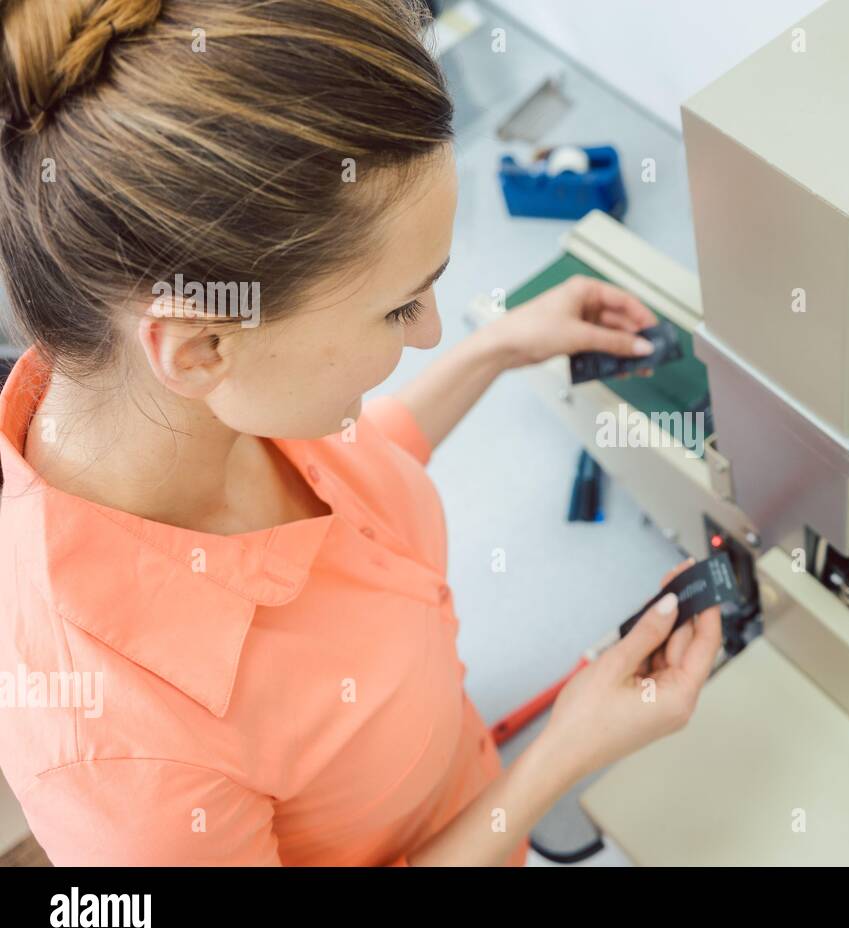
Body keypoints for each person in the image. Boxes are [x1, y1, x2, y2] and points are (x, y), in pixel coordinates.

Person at [0, 0, 721, 866]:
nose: (430, 335)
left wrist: (497, 350)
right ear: (200, 347)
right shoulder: (124, 759)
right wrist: (562, 755)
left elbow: (352, 481)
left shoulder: (197, 405)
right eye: (399, 306)